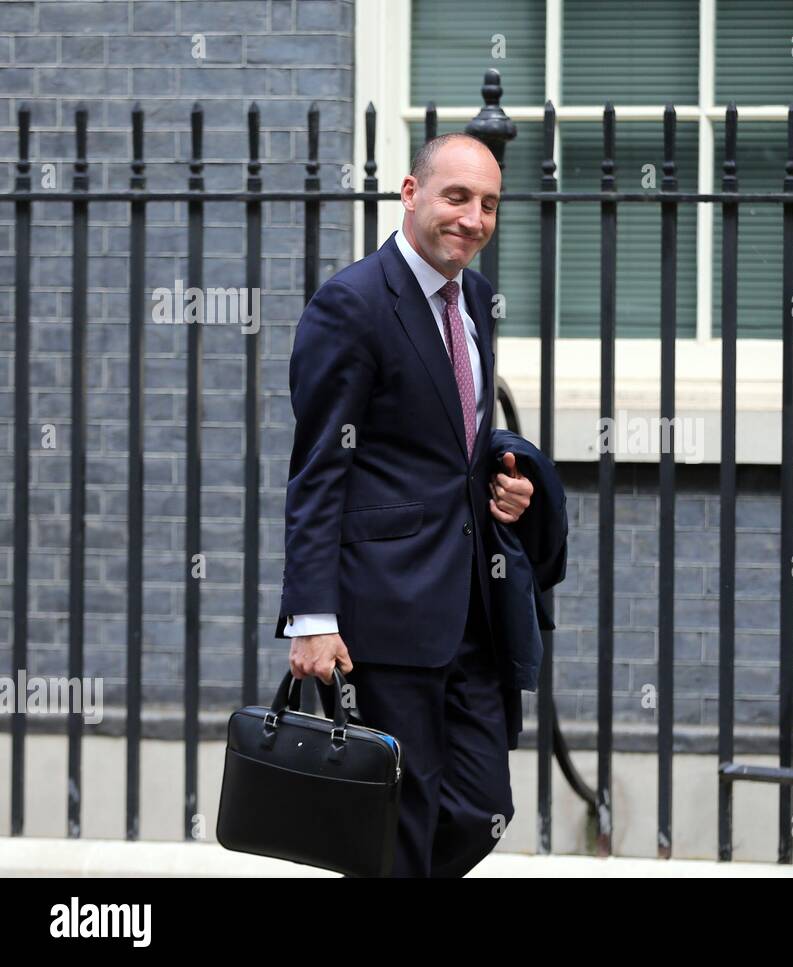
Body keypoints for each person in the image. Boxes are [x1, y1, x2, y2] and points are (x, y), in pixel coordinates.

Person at [273, 132, 534, 877]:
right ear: (411, 193)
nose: (474, 218)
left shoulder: (475, 299)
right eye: (457, 197)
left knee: (481, 803)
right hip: (383, 614)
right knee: (402, 810)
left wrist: (505, 485)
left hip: (471, 609)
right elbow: (319, 469)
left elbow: (452, 440)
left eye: (488, 204)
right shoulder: (351, 304)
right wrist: (313, 618)